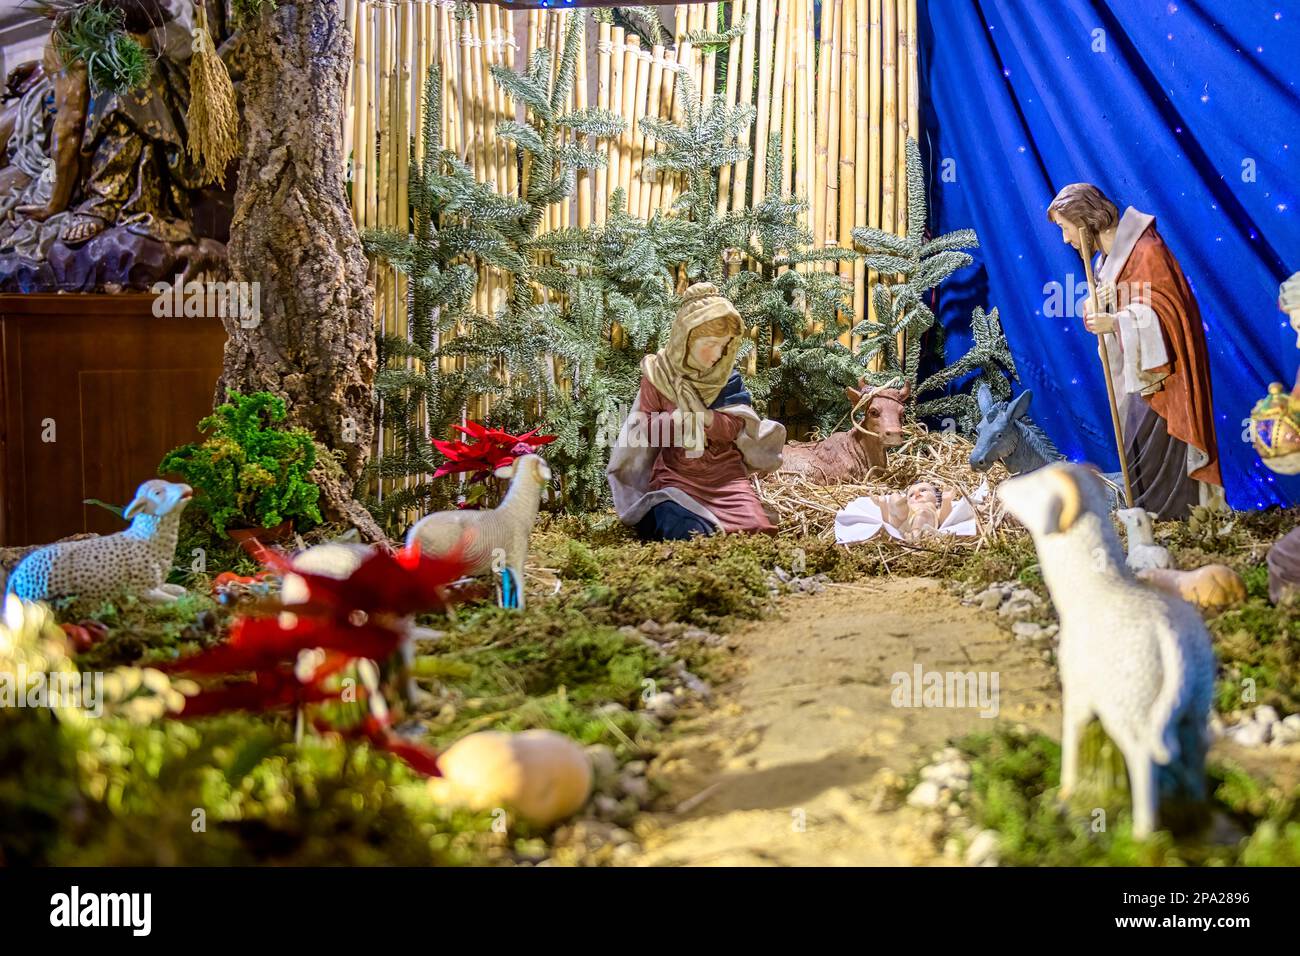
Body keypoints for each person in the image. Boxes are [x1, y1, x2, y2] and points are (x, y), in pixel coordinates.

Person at [1047, 183, 1222, 519]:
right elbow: (1125, 303)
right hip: (1136, 379)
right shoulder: (1106, 261)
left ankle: (1180, 520)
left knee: (1160, 452)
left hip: (1164, 383)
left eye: (1065, 229)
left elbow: (1169, 313)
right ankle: (1152, 519)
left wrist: (1114, 322)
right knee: (1137, 451)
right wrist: (1098, 307)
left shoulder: (1146, 250)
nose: (1066, 240)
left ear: (1084, 223)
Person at [606, 282, 786, 540]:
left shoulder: (726, 379)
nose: (717, 354)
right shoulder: (659, 376)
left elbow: (736, 426)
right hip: (676, 477)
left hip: (725, 478)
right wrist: (679, 421)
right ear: (686, 337)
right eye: (710, 343)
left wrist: (705, 416)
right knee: (685, 530)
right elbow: (642, 430)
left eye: (723, 345)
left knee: (756, 532)